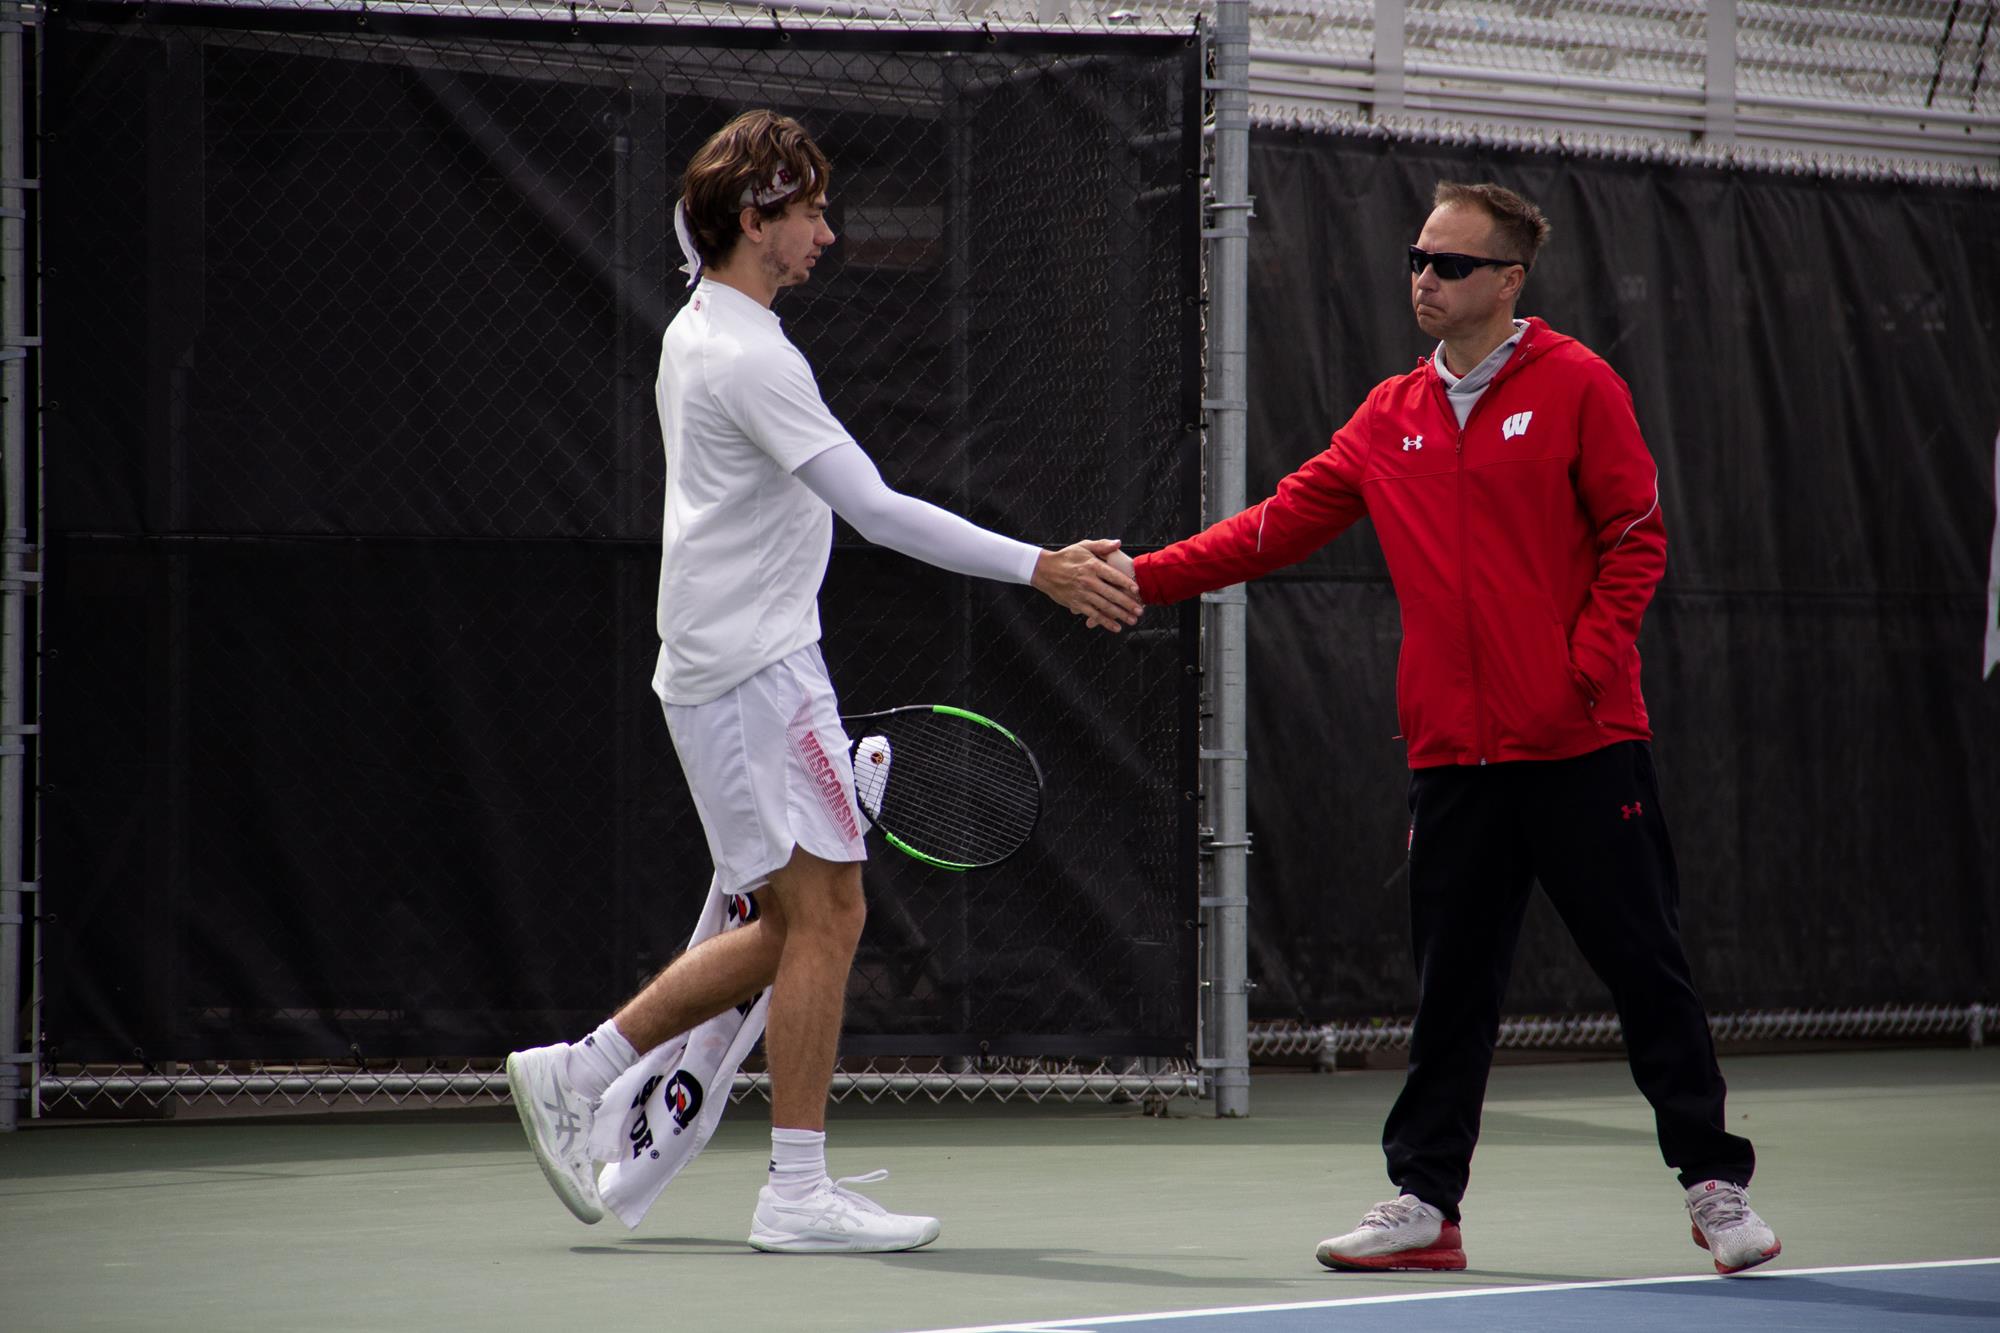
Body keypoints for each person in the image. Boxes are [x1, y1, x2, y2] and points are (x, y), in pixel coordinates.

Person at [1106, 182, 1781, 1276]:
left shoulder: (1576, 386)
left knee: (1642, 967)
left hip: (1580, 745)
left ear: (1507, 282)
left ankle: (1713, 1185)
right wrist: (1139, 577)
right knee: (1451, 990)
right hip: (1450, 760)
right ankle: (1425, 1204)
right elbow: (1273, 524)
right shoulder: (1388, 415)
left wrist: (1580, 669)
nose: (1424, 276)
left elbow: (1635, 536)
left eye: (1450, 263)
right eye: (1417, 258)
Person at [505, 109, 1142, 1254]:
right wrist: (1036, 567)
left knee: (802, 917)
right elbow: (879, 510)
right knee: (828, 911)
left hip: (728, 663)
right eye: (807, 214)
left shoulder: (700, 326)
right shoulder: (751, 355)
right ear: (756, 221)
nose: (828, 235)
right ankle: (785, 1186)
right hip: (753, 672)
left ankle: (583, 1071)